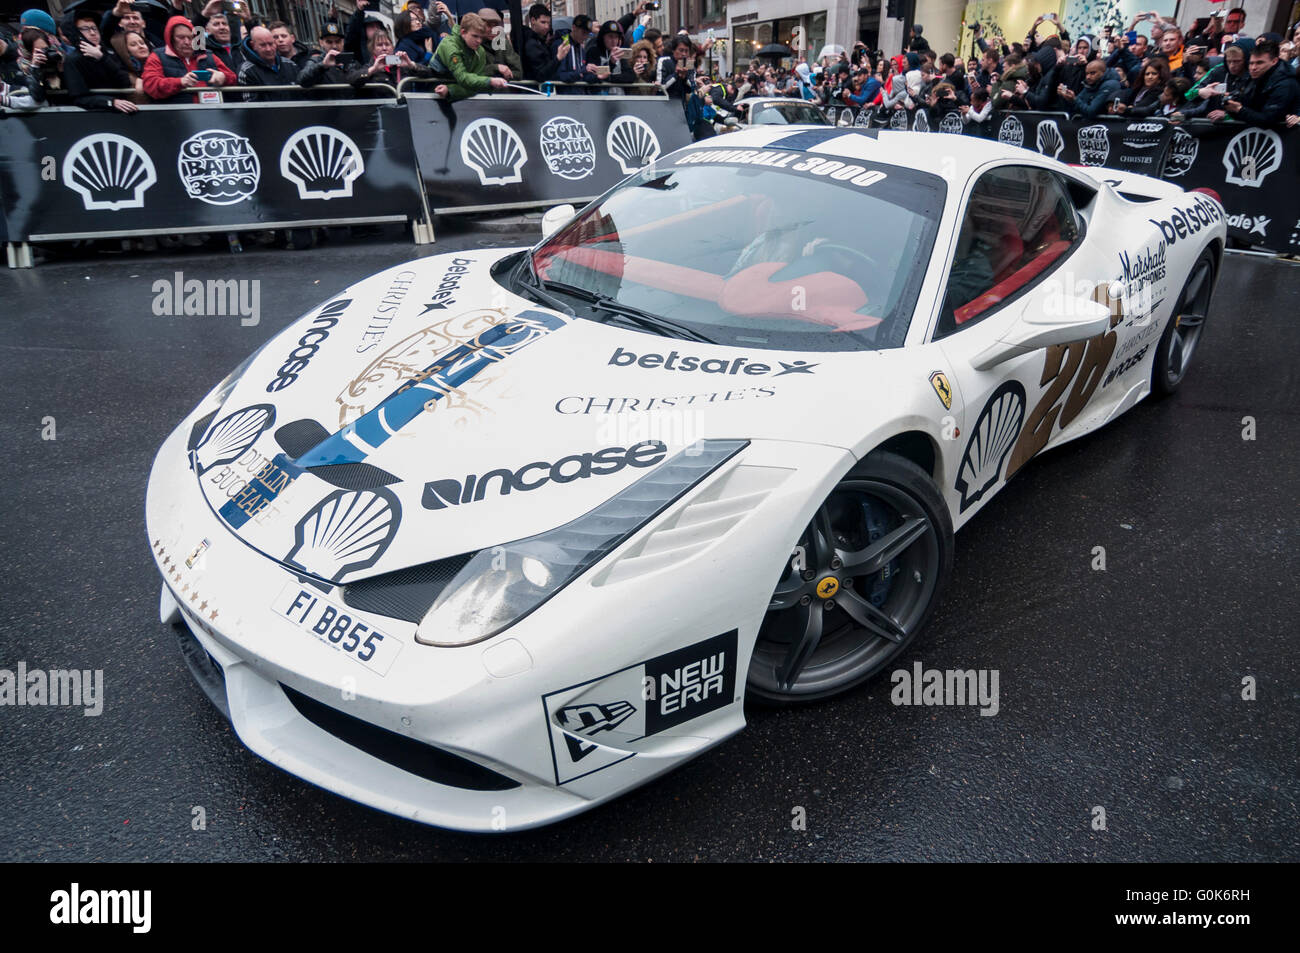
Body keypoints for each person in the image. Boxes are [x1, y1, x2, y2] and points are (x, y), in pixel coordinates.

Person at [142, 15, 234, 103]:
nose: (187, 42)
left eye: (190, 37)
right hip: (176, 115)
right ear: (171, 38)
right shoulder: (157, 56)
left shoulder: (207, 55)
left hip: (211, 112)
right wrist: (180, 82)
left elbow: (233, 78)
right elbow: (150, 85)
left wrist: (223, 77)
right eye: (181, 37)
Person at [63, 13, 136, 112]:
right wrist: (111, 102)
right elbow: (79, 98)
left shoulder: (107, 51)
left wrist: (102, 58)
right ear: (76, 33)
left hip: (124, 106)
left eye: (94, 28)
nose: (93, 33)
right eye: (85, 29)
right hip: (100, 113)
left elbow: (124, 81)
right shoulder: (73, 60)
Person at [431, 12, 509, 98]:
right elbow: (463, 78)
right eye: (475, 36)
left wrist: (450, 90)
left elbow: (476, 85)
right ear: (463, 32)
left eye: (481, 37)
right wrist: (490, 81)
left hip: (460, 95)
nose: (479, 41)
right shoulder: (450, 46)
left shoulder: (480, 51)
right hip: (433, 93)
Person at [1225, 38, 1300, 126]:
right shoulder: (1252, 77)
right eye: (1251, 63)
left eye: (1259, 63)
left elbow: (1268, 119)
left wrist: (1240, 109)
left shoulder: (1285, 84)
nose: (1253, 68)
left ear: (1274, 61)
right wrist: (1231, 105)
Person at [348, 27, 438, 91]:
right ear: (372, 49)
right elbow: (351, 80)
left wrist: (411, 65)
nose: (384, 48)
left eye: (387, 44)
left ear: (392, 47)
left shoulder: (401, 64)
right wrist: (373, 69)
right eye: (379, 45)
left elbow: (431, 74)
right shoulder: (370, 67)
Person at [237, 24, 300, 100]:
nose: (268, 49)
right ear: (253, 45)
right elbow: (252, 106)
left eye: (271, 44)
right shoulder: (247, 71)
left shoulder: (290, 64)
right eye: (263, 45)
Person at [553, 14, 601, 83]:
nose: (586, 37)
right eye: (583, 33)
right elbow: (559, 76)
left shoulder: (581, 49)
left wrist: (597, 75)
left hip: (579, 92)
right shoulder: (561, 45)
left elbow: (583, 76)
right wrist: (582, 71)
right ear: (574, 28)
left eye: (588, 33)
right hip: (565, 92)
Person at [478, 7, 521, 79]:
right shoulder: (474, 43)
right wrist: (496, 68)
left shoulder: (503, 42)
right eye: (488, 25)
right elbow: (472, 72)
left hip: (503, 88)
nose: (493, 30)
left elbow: (518, 72)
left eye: (495, 25)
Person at [109, 28, 150, 100]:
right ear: (124, 50)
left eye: (142, 43)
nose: (141, 46)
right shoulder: (122, 74)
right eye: (133, 45)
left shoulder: (158, 63)